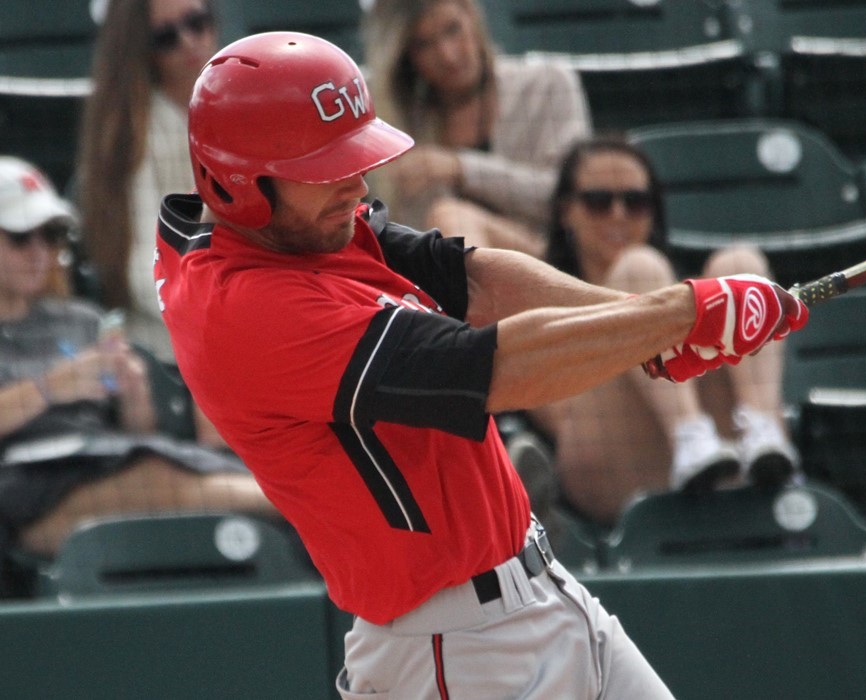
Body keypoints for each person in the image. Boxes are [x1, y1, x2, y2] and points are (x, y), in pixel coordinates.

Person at [157, 32, 805, 698]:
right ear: (240, 182)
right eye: (324, 168)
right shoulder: (245, 310)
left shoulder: (302, 227)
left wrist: (641, 324)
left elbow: (474, 280)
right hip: (454, 652)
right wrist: (673, 314)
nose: (355, 183)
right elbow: (489, 368)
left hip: (542, 595)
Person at [0, 155, 277, 571]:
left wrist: (131, 390)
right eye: (22, 238)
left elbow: (135, 432)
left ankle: (294, 502)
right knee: (154, 471)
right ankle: (299, 501)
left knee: (153, 462)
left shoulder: (82, 319)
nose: (40, 252)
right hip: (26, 479)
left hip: (105, 458)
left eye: (52, 235)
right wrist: (50, 387)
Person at [533, 137, 802, 525]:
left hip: (725, 457)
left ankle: (762, 432)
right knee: (637, 270)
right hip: (607, 456)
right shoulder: (542, 293)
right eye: (597, 201)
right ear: (565, 212)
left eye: (636, 201)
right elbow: (557, 414)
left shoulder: (671, 283)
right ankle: (688, 435)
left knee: (739, 264)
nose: (618, 215)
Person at [362, 0, 592, 257]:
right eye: (423, 45)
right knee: (451, 219)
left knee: (454, 217)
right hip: (446, 281)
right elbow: (406, 236)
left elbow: (574, 200)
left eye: (453, 29)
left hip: (554, 259)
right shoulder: (399, 123)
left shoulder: (547, 84)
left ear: (472, 16)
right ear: (405, 57)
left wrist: (460, 168)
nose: (448, 56)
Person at [75, 0, 220, 362]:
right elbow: (145, 277)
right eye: (166, 36)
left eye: (197, 22)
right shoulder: (134, 134)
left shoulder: (247, 99)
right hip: (172, 344)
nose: (189, 42)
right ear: (139, 47)